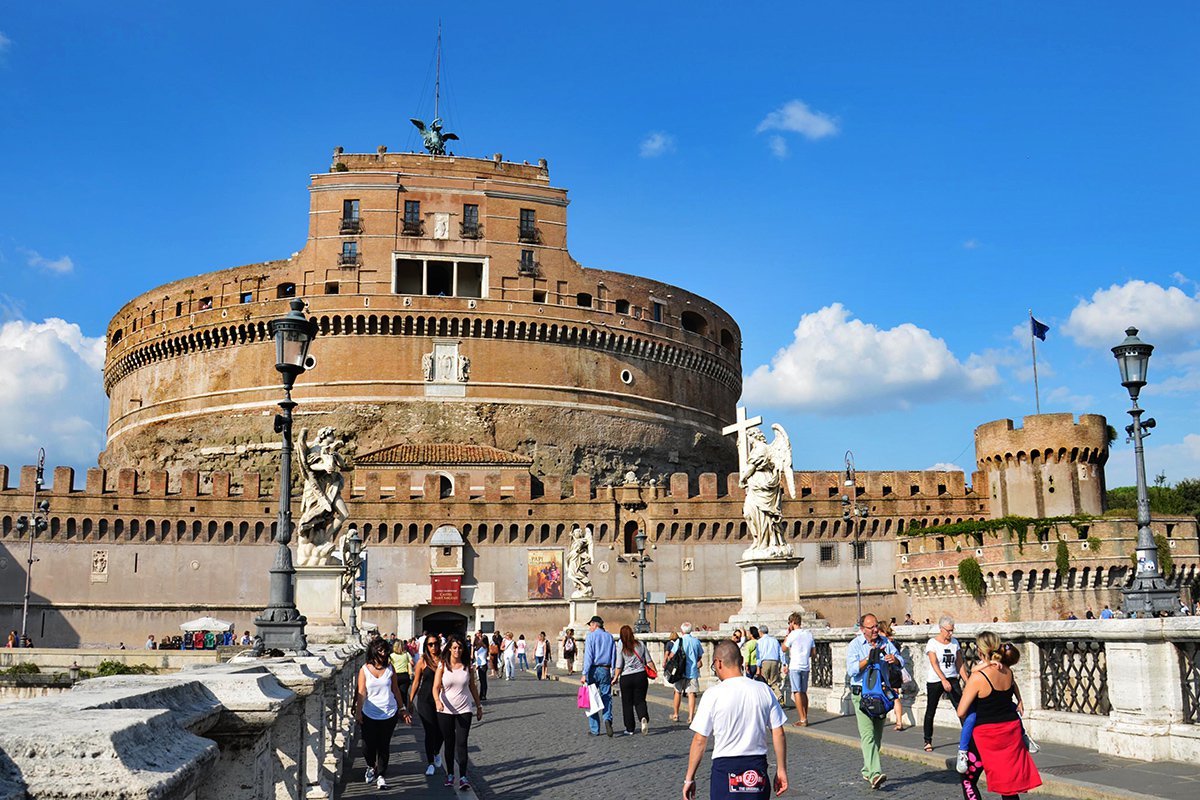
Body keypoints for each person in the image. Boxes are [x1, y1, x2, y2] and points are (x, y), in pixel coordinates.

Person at [682, 640, 788, 800]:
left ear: (718, 663)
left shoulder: (713, 694)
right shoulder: (763, 690)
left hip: (725, 767)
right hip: (756, 767)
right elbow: (778, 733)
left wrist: (689, 778)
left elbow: (699, 741)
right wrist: (781, 769)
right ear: (742, 662)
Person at [956, 633, 1041, 799]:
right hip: (1010, 731)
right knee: (1008, 784)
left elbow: (961, 711)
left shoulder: (978, 677)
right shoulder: (1007, 671)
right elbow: (1013, 689)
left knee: (968, 779)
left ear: (980, 652)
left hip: (987, 735)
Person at [847, 613, 901, 790]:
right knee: (868, 734)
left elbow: (901, 661)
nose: (875, 630)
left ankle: (866, 768)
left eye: (876, 626)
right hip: (862, 695)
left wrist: (894, 660)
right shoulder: (855, 645)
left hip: (881, 695)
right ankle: (875, 774)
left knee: (877, 735)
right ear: (863, 629)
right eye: (871, 627)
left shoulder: (885, 642)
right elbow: (852, 670)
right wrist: (867, 659)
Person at [354, 638, 413, 790]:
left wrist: (402, 709)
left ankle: (381, 775)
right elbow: (361, 692)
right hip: (369, 712)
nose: (383, 653)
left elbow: (395, 690)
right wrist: (358, 712)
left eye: (385, 650)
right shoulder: (365, 669)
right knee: (367, 746)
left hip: (389, 712)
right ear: (373, 651)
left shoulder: (390, 669)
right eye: (380, 650)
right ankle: (370, 765)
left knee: (383, 745)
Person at [433, 633, 483, 791]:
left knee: (461, 743)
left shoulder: (468, 665)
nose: (457, 650)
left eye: (460, 647)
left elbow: (472, 686)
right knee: (449, 743)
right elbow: (435, 687)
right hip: (445, 710)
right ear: (449, 649)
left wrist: (479, 706)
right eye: (454, 647)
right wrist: (437, 701)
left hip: (464, 709)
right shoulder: (442, 664)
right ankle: (449, 774)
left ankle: (462, 776)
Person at [923, 615, 968, 753]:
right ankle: (927, 740)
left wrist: (967, 680)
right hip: (936, 680)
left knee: (961, 709)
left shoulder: (954, 643)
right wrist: (943, 679)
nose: (950, 633)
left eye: (952, 630)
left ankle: (968, 739)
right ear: (941, 629)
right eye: (948, 630)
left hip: (952, 677)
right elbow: (934, 663)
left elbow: (959, 663)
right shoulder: (932, 643)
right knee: (931, 710)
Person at [409, 634, 445, 776]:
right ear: (426, 646)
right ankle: (430, 762)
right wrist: (410, 701)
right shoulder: (423, 661)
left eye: (435, 643)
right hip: (425, 700)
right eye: (430, 644)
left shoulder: (444, 659)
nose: (433, 647)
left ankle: (436, 751)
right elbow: (416, 682)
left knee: (442, 730)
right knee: (430, 731)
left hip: (442, 699)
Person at [612, 624, 655, 735]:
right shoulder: (640, 644)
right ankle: (643, 717)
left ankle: (629, 729)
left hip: (626, 677)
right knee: (640, 700)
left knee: (627, 704)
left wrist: (615, 677)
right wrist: (654, 671)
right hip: (641, 675)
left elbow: (619, 665)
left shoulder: (621, 647)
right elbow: (649, 661)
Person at [581, 615, 616, 736]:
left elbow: (588, 656)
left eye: (590, 625)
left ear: (595, 624)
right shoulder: (609, 637)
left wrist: (584, 673)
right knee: (606, 696)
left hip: (593, 670)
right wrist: (614, 673)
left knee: (592, 699)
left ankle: (595, 729)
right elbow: (613, 656)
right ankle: (607, 719)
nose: (590, 628)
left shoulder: (591, 636)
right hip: (605, 669)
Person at [783, 612, 816, 726]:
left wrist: (787, 636)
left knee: (796, 692)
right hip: (805, 666)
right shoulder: (809, 634)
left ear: (792, 622)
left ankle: (802, 719)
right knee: (803, 692)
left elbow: (783, 648)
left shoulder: (792, 634)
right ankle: (805, 716)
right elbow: (813, 653)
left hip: (795, 666)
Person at [878, 619, 910, 731]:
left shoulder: (884, 642)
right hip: (896, 672)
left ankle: (881, 718)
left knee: (883, 695)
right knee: (896, 697)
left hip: (887, 672)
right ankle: (899, 722)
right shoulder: (894, 641)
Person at [670, 622, 705, 724]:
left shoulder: (679, 641)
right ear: (691, 630)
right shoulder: (696, 642)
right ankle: (690, 717)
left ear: (681, 631)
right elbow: (699, 656)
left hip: (679, 671)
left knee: (677, 692)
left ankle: (676, 714)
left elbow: (672, 655)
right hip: (692, 670)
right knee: (691, 694)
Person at [755, 624, 784, 705]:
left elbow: (758, 655)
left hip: (765, 662)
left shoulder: (759, 642)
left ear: (760, 632)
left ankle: (766, 700)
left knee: (764, 682)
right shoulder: (774, 640)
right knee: (774, 682)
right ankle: (779, 695)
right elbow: (781, 652)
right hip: (775, 662)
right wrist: (784, 663)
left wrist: (758, 667)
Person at [390, 635, 414, 702]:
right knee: (404, 694)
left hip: (395, 676)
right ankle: (404, 708)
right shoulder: (406, 654)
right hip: (405, 675)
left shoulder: (392, 656)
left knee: (394, 693)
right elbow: (412, 663)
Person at [472, 633, 489, 702]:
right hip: (479, 665)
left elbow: (481, 643)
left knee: (483, 681)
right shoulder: (478, 648)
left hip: (483, 665)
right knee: (481, 681)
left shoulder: (484, 647)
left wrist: (481, 638)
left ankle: (483, 695)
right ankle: (481, 695)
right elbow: (475, 647)